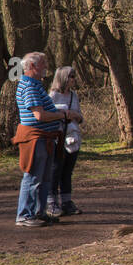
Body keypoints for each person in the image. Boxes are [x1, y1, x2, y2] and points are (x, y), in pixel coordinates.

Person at [12, 52, 66, 227]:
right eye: (43, 64)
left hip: (44, 138)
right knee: (33, 177)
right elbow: (39, 115)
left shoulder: (35, 85)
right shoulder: (29, 86)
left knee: (44, 178)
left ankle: (39, 212)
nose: (46, 67)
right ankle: (25, 215)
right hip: (35, 138)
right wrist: (62, 114)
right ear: (33, 66)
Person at [46, 65, 84, 216]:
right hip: (57, 137)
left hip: (72, 137)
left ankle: (67, 201)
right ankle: (51, 202)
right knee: (56, 169)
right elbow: (48, 115)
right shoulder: (52, 96)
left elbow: (80, 117)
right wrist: (63, 114)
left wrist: (74, 115)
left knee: (67, 171)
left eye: (74, 76)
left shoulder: (74, 96)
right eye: (71, 76)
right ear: (63, 78)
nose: (73, 80)